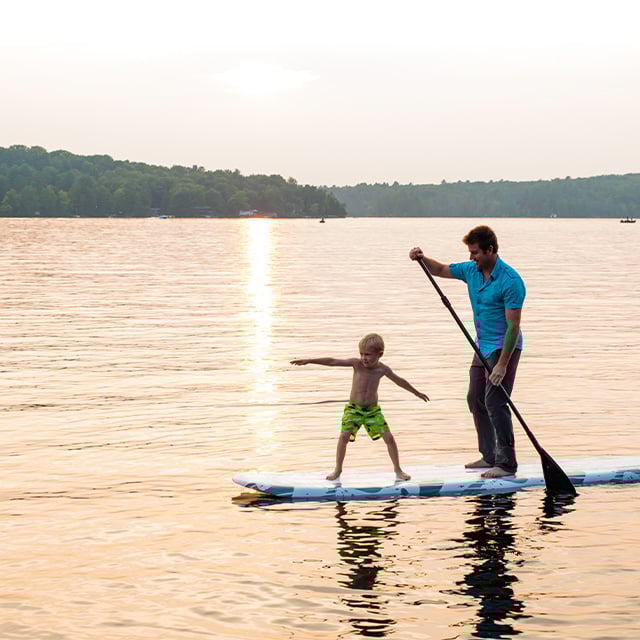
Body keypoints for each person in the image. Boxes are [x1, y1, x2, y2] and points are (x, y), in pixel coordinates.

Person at [409, 225, 525, 479]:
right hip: (480, 345)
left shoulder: (511, 281)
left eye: (475, 253)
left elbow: (513, 327)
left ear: (490, 250)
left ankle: (507, 464)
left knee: (495, 401)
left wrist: (502, 365)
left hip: (503, 347)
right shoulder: (471, 271)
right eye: (470, 253)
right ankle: (490, 455)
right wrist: (421, 258)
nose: (472, 258)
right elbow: (439, 269)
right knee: (475, 398)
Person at [291, 333, 429, 481]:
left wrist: (417, 393)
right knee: (344, 436)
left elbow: (400, 381)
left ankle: (398, 470)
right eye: (362, 354)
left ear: (379, 354)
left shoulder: (383, 370)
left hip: (372, 411)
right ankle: (337, 470)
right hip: (354, 409)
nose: (364, 358)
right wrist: (310, 360)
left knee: (389, 438)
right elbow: (333, 361)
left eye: (368, 354)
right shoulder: (356, 364)